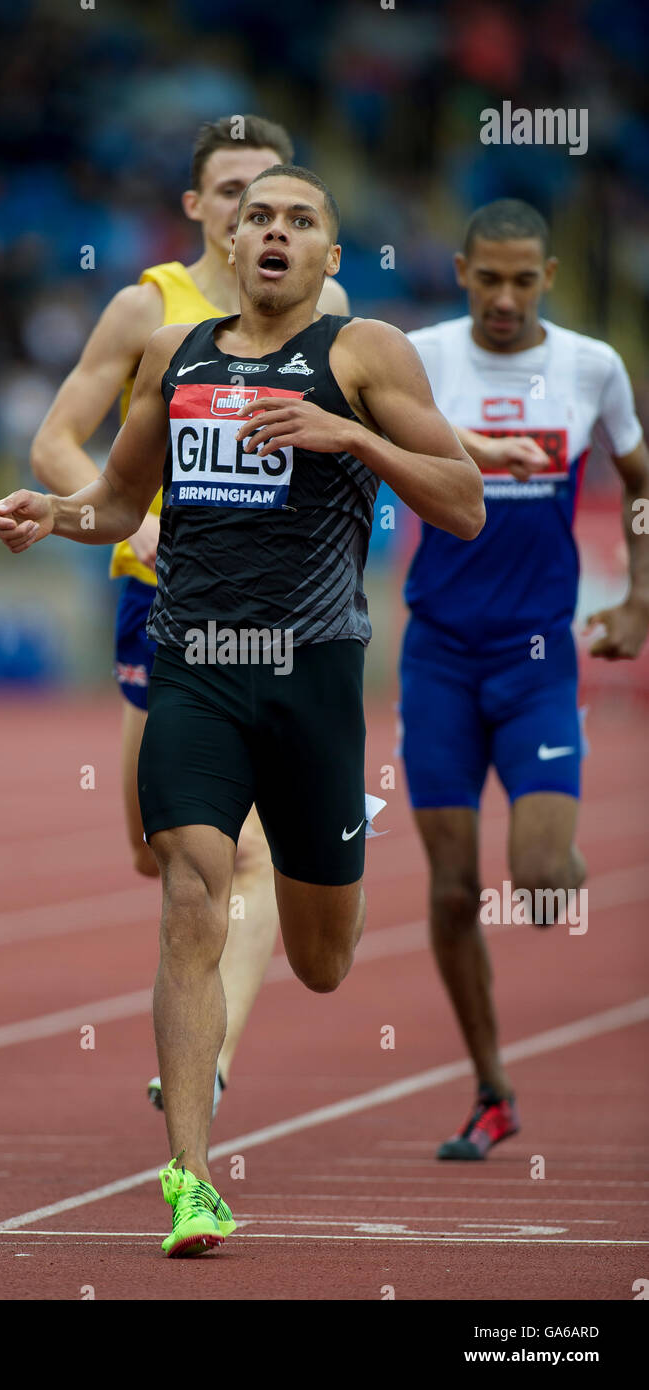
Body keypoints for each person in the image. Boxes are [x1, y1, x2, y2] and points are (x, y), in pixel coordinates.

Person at [0, 163, 485, 1256]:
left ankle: (343, 832)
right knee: (189, 895)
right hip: (195, 670)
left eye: (299, 220)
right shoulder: (179, 354)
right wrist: (52, 514)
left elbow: (464, 503)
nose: (273, 232)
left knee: (322, 958)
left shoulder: (365, 356)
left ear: (327, 257)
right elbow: (118, 500)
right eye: (257, 215)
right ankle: (191, 1178)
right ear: (231, 237)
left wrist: (350, 437)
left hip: (312, 684)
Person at [29, 116, 351, 1119]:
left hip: (282, 623)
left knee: (239, 854)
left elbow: (376, 404)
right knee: (156, 849)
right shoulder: (147, 313)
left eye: (278, 200)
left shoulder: (325, 309)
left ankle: (204, 1061)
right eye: (234, 195)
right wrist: (141, 526)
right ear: (198, 207)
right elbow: (55, 445)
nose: (255, 217)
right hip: (157, 602)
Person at [401, 199, 649, 1159]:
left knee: (541, 885)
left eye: (522, 280)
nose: (503, 298)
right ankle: (491, 1088)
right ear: (460, 270)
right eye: (486, 278)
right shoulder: (418, 357)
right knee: (454, 890)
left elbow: (640, 481)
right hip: (438, 658)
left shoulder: (591, 367)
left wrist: (636, 605)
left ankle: (563, 861)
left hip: (539, 657)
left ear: (547, 278)